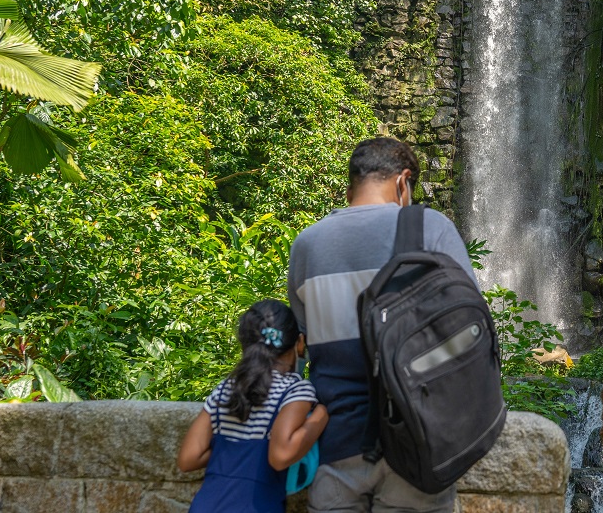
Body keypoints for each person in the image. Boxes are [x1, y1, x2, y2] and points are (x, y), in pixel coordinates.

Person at [288, 136, 477, 513]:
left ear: (350, 186)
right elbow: (470, 328)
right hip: (418, 445)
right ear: (403, 183)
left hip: (337, 446)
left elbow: (302, 345)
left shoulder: (306, 245)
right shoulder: (431, 229)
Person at [179, 299, 329, 513]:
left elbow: (188, 458)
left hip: (206, 505)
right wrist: (321, 414)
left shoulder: (226, 388)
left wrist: (233, 452)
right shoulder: (295, 390)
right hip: (256, 506)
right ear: (300, 343)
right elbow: (281, 456)